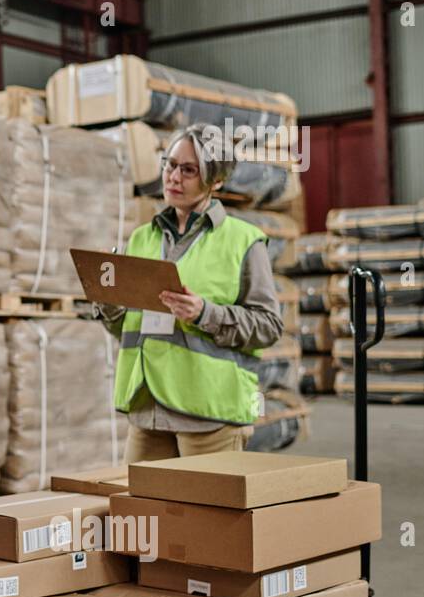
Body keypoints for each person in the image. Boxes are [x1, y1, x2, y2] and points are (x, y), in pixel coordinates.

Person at [94, 123, 284, 461]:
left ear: (217, 180)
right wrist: (109, 305)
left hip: (208, 413)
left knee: (206, 514)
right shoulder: (141, 239)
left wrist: (204, 314)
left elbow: (268, 327)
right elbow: (126, 329)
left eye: (189, 170)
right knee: (142, 508)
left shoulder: (243, 241)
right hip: (147, 403)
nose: (173, 177)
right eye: (170, 165)